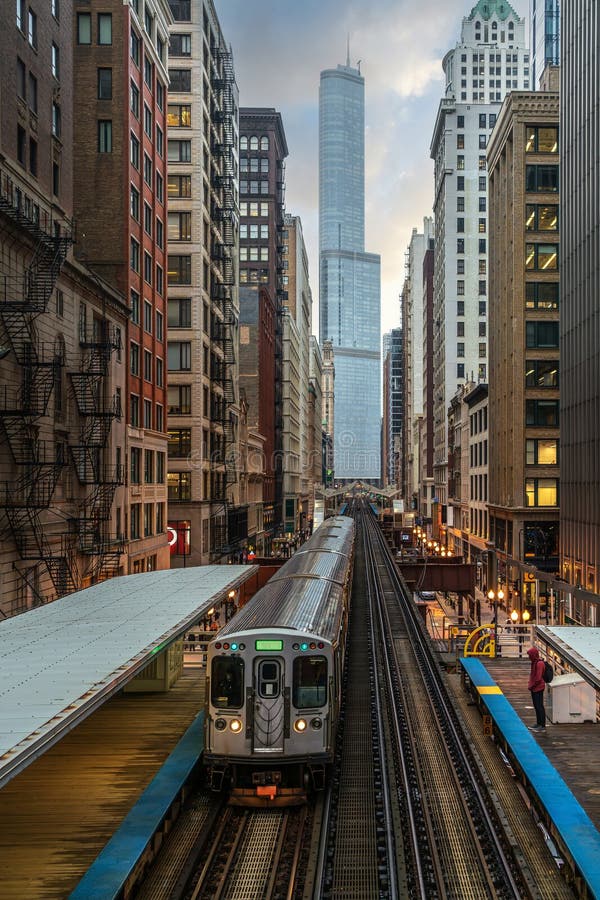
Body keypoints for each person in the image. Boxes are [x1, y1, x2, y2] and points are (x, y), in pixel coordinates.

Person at [527, 646, 546, 732]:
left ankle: (542, 725)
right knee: (536, 706)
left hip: (538, 688)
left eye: (530, 655)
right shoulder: (534, 662)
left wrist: (532, 685)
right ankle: (538, 723)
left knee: (539, 706)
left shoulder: (539, 664)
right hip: (534, 688)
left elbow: (538, 678)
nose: (529, 657)